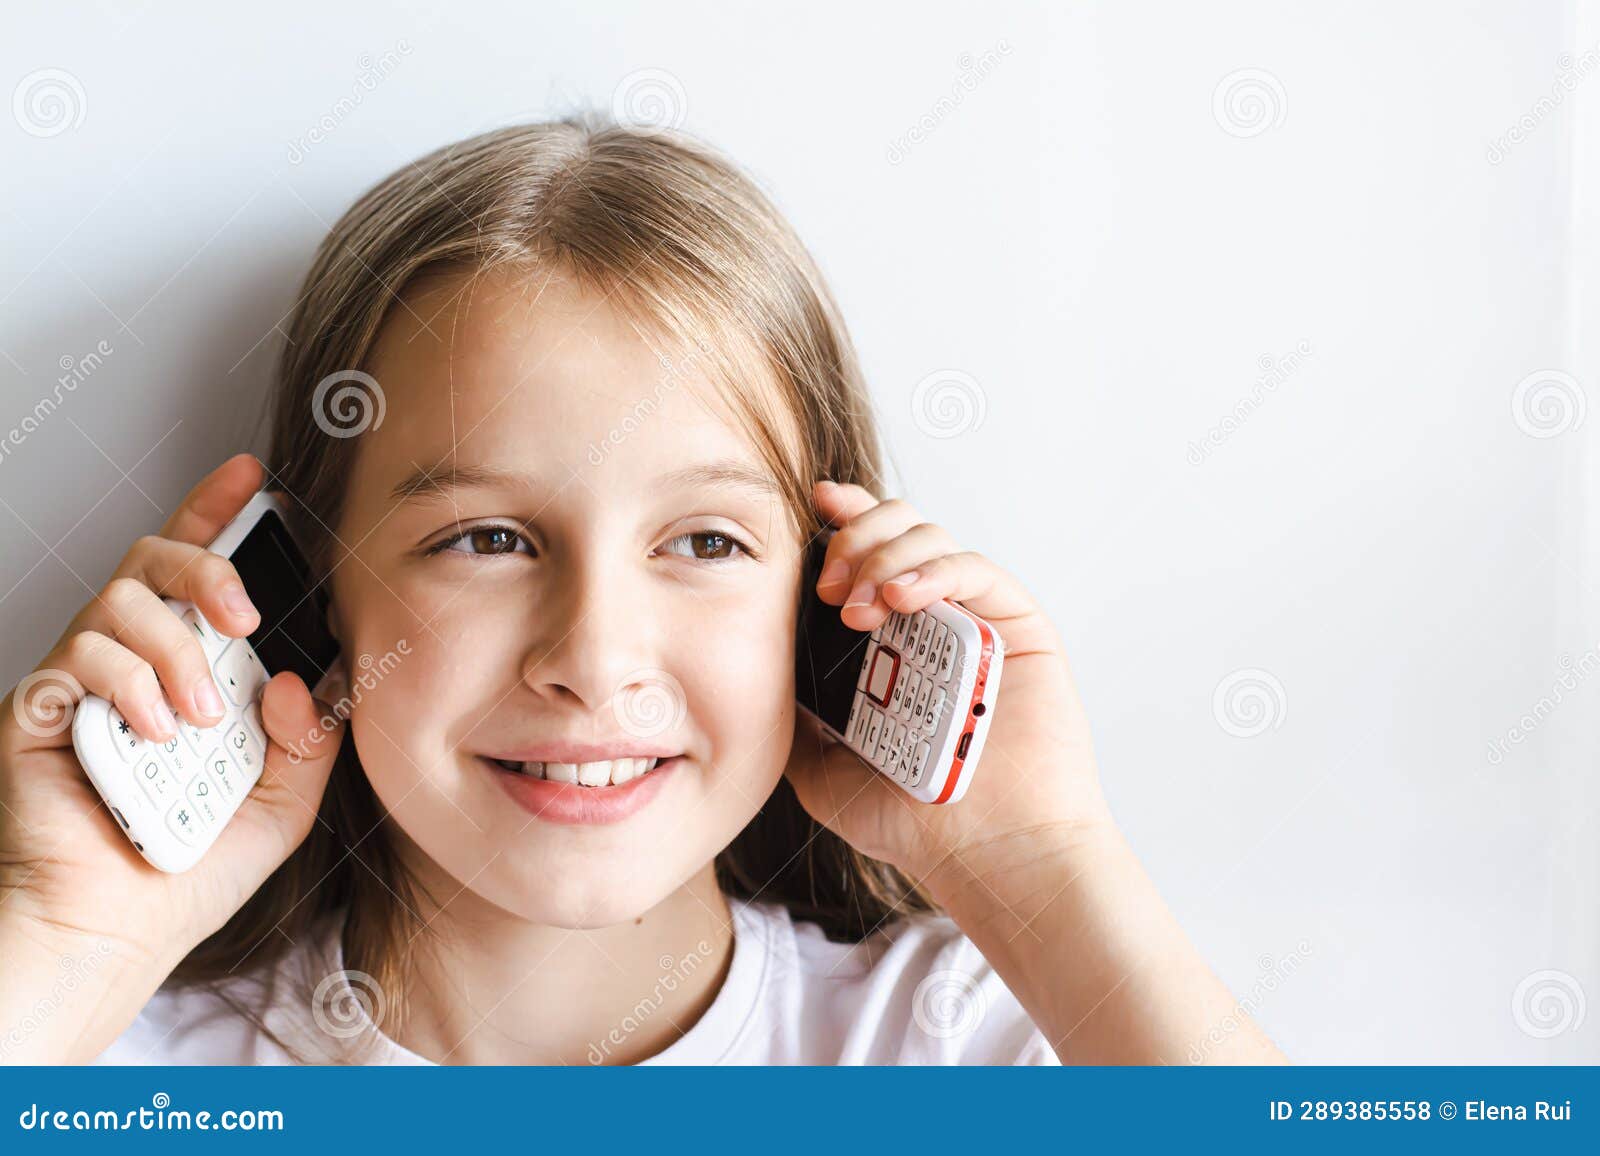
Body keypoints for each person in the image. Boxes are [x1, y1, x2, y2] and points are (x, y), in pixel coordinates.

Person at [0, 118, 1282, 1065]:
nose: (595, 658)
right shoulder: (106, 1059)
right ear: (309, 599)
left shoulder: (962, 1043)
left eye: (708, 543)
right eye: (488, 539)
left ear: (826, 611)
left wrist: (1039, 870)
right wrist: (65, 946)